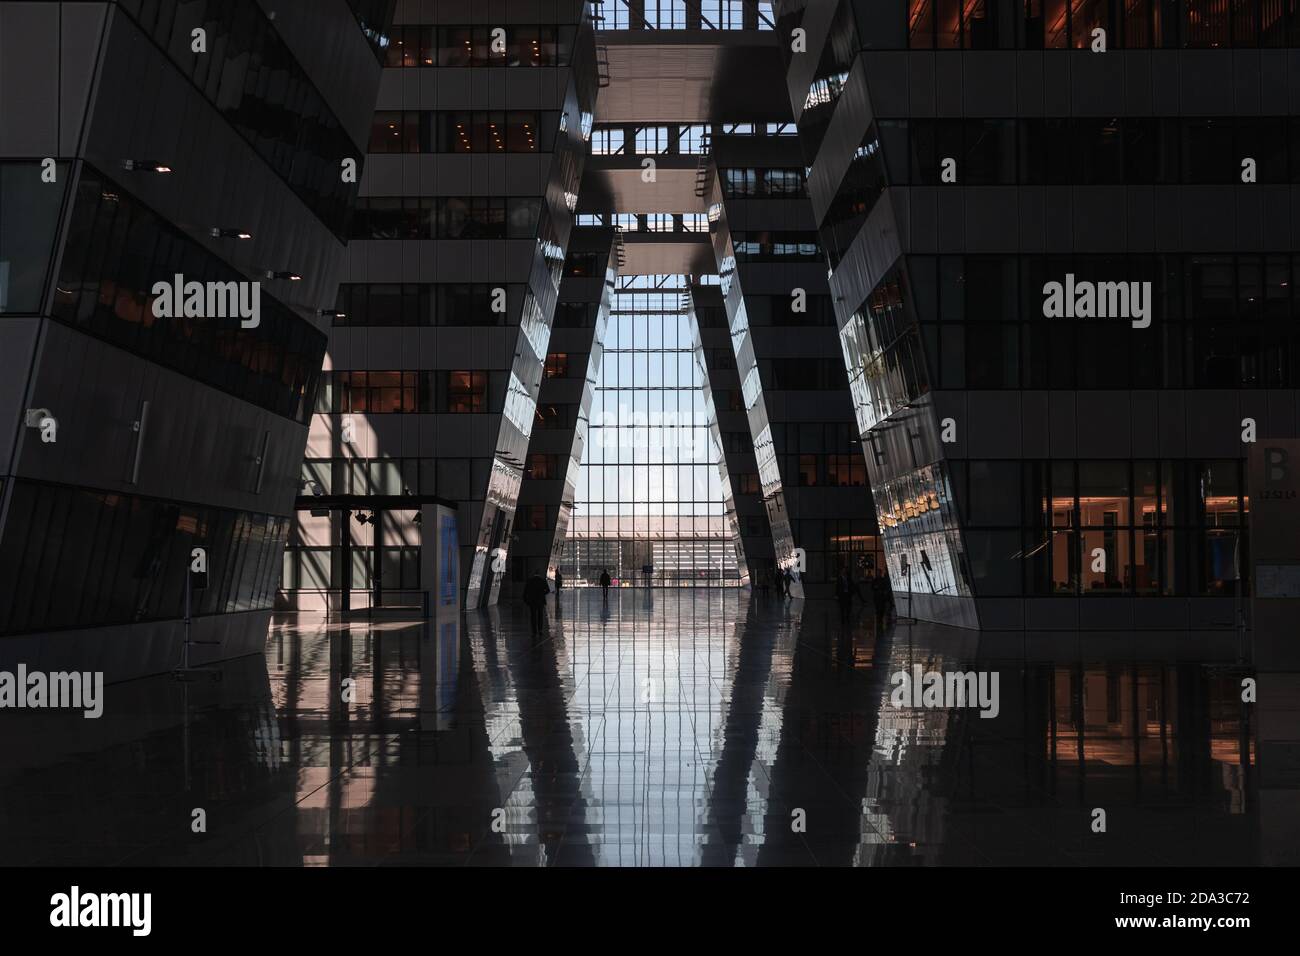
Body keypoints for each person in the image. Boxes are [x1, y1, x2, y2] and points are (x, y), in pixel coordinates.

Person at [523, 571, 550, 638]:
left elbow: (525, 591)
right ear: (539, 574)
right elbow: (548, 590)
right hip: (540, 601)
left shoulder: (530, 581)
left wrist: (526, 600)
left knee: (533, 616)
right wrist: (542, 594)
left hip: (532, 601)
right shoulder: (542, 580)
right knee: (540, 616)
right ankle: (540, 630)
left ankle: (534, 631)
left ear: (534, 574)